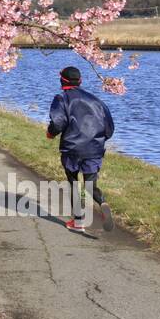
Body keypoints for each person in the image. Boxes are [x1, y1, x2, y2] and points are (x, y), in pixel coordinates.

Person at [46, 66, 115, 232]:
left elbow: (58, 122)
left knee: (73, 183)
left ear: (62, 80)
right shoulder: (96, 101)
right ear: (80, 81)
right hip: (94, 149)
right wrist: (98, 140)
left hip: (72, 150)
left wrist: (51, 133)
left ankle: (78, 221)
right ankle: (102, 202)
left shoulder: (61, 98)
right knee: (90, 184)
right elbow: (109, 128)